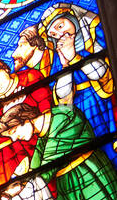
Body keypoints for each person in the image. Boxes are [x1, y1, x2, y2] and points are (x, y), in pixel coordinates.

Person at [0, 101, 117, 200]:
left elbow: (47, 166)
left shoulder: (64, 116)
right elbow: (35, 169)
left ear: (25, 119)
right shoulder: (42, 138)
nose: (14, 139)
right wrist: (17, 183)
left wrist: (22, 182)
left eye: (13, 131)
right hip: (67, 185)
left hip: (89, 175)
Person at [0, 61, 52, 185]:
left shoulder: (29, 77)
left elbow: (46, 107)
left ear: (6, 70)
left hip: (40, 140)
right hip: (7, 157)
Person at [45, 8, 114, 137]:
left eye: (60, 26)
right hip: (77, 108)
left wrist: (74, 57)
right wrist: (65, 64)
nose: (60, 34)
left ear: (71, 17)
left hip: (102, 102)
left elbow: (101, 73)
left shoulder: (93, 36)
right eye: (54, 35)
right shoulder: (56, 59)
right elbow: (62, 95)